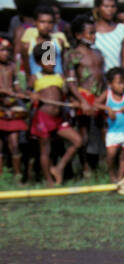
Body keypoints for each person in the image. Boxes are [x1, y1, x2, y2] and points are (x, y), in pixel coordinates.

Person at [30, 40, 83, 184]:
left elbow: (68, 92)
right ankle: (49, 181)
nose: (51, 63)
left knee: (78, 140)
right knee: (45, 150)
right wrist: (31, 95)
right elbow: (24, 92)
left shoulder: (60, 76)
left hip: (59, 119)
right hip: (43, 118)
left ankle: (59, 167)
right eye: (47, 60)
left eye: (52, 59)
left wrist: (74, 102)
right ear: (38, 62)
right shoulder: (36, 77)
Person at [66, 16, 105, 175]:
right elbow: (71, 82)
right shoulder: (74, 55)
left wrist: (103, 97)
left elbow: (102, 76)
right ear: (78, 35)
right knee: (84, 133)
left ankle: (99, 166)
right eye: (90, 33)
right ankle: (85, 167)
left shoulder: (98, 53)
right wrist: (81, 101)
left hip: (99, 97)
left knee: (100, 131)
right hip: (83, 97)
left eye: (94, 33)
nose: (93, 36)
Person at [101, 66, 124, 183]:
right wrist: (107, 108)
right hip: (113, 131)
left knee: (123, 156)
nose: (122, 86)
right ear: (110, 84)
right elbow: (96, 104)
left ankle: (120, 179)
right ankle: (112, 175)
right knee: (111, 154)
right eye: (119, 83)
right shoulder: (107, 94)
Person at [0, 35, 29, 182]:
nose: (5, 53)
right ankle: (2, 178)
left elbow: (16, 84)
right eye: (2, 50)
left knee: (14, 144)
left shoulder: (12, 66)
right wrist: (6, 92)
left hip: (11, 107)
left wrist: (22, 93)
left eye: (7, 50)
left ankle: (17, 178)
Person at [18, 3, 68, 77]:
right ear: (35, 22)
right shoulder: (28, 46)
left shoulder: (59, 42)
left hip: (58, 84)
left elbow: (64, 65)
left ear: (54, 23)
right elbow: (27, 72)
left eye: (50, 22)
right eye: (42, 22)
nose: (46, 26)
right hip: (39, 86)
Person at [91, 0, 124, 71]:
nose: (110, 10)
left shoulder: (122, 29)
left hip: (115, 79)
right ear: (98, 8)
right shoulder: (91, 29)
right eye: (106, 6)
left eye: (113, 6)